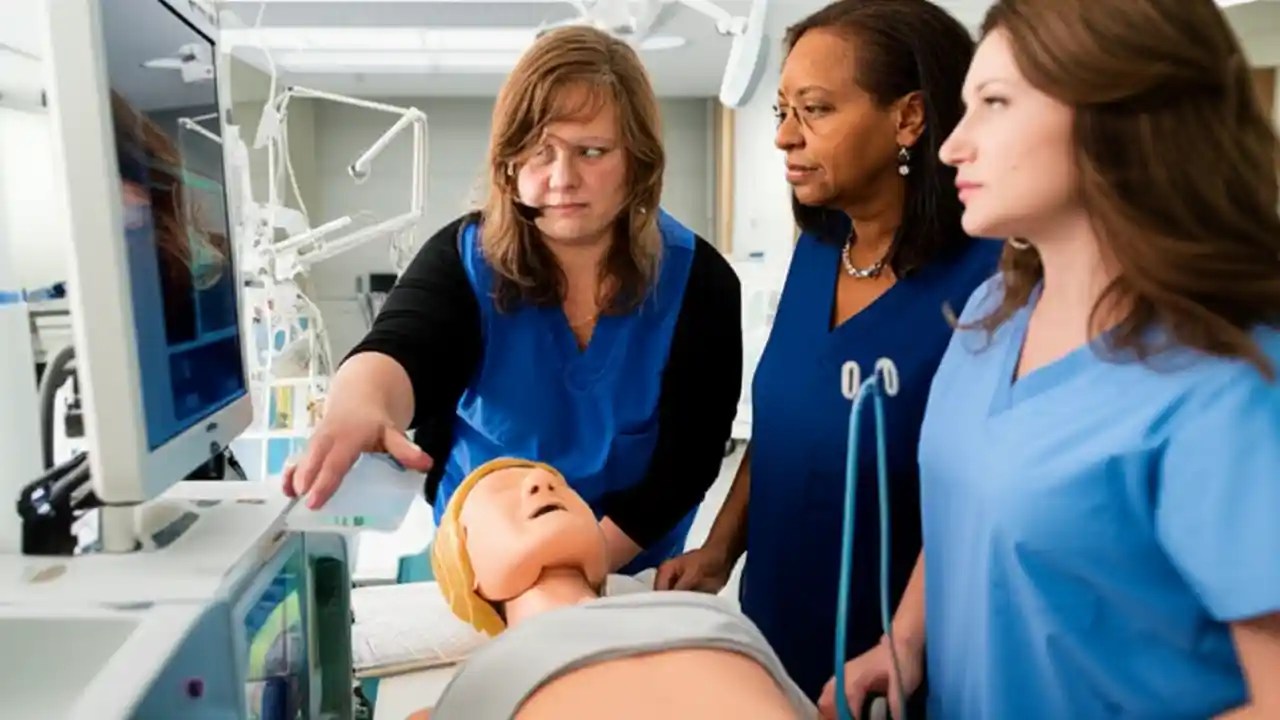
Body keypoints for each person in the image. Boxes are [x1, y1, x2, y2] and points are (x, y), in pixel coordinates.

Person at [904, 0, 1280, 717]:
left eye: (994, 103)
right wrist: (906, 637)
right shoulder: (988, 315)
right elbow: (971, 506)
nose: (953, 145)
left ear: (1120, 111)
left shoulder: (1231, 382)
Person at [283, 26, 742, 578]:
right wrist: (360, 402)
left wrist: (581, 565)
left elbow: (687, 461)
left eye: (591, 152)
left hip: (628, 564)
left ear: (637, 163)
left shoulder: (700, 282)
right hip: (485, 563)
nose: (562, 178)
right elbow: (403, 346)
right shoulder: (464, 259)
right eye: (539, 152)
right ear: (508, 164)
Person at [656, 0, 1000, 712]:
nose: (784, 136)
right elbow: (788, 422)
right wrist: (721, 548)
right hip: (778, 631)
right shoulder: (818, 253)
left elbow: (982, 498)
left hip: (905, 666)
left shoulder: (993, 279)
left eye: (813, 110)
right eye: (783, 109)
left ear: (908, 118)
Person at [414, 457, 817, 720]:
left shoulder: (706, 613)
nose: (542, 481)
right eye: (500, 495)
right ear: (468, 574)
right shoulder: (482, 682)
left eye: (563, 486)